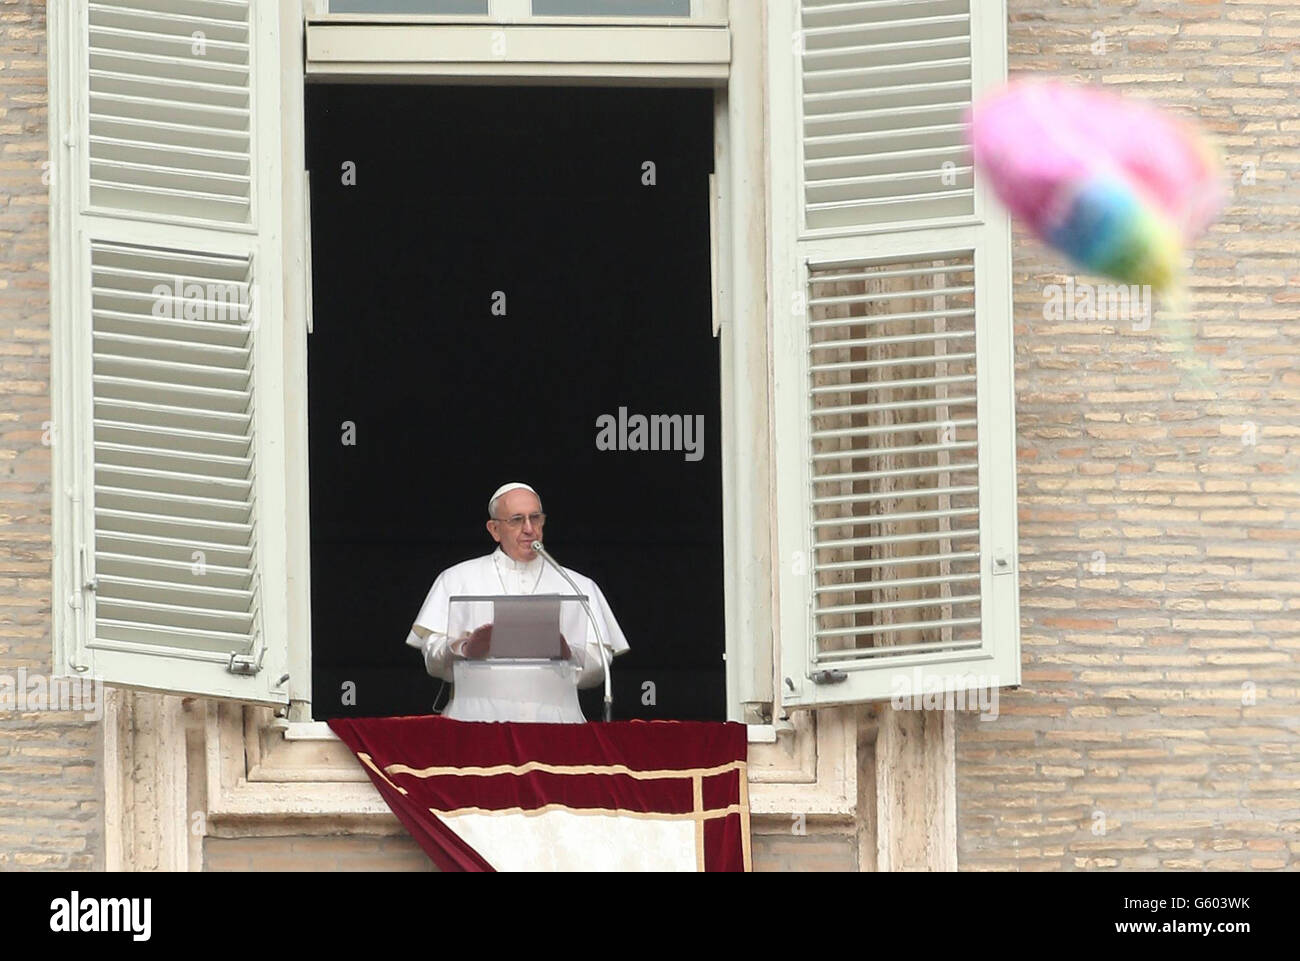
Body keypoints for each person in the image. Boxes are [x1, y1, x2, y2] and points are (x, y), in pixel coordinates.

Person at [404, 482, 630, 721]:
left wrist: (568, 653)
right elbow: (432, 660)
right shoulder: (456, 579)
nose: (529, 528)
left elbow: (600, 667)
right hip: (473, 723)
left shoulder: (579, 585)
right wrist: (464, 649)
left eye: (535, 518)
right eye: (516, 520)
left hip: (558, 724)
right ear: (494, 529)